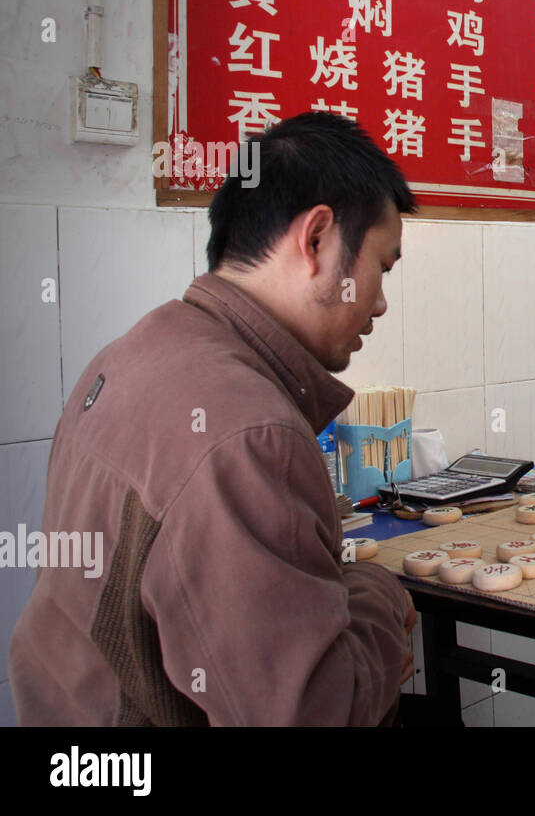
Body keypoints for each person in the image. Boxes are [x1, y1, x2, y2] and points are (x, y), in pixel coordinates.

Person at [9, 112, 420, 725]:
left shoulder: (130, 354)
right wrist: (381, 597)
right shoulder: (249, 432)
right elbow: (310, 714)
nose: (380, 303)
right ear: (316, 240)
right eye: (381, 268)